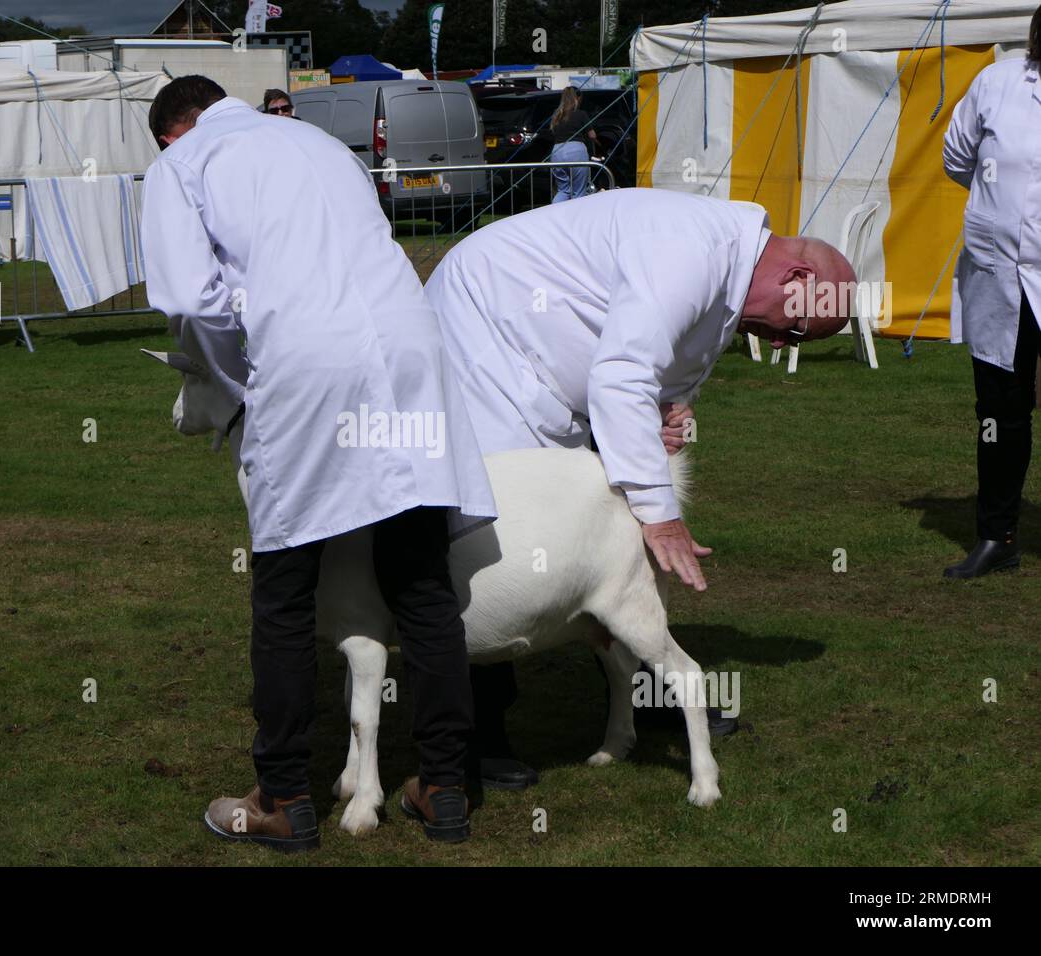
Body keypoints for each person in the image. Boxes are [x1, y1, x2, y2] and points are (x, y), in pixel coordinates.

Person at [141, 76, 497, 850]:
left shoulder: (180, 165)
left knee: (285, 587)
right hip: (409, 341)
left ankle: (282, 794)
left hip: (308, 358)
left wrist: (241, 376)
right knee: (421, 582)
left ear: (174, 130)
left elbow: (190, 300)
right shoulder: (320, 141)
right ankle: (443, 786)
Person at [424, 188, 856, 788]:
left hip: (539, 364)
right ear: (800, 276)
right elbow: (622, 375)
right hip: (482, 331)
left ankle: (653, 694)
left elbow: (653, 371)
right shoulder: (693, 249)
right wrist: (661, 513)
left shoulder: (726, 266)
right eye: (801, 329)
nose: (784, 344)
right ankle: (474, 740)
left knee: (601, 538)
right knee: (497, 539)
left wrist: (666, 414)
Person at [940, 8, 1041, 579]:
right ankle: (997, 535)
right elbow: (958, 157)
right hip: (1001, 275)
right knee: (1001, 411)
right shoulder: (998, 82)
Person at [548, 87, 598, 203]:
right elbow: (592, 135)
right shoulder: (581, 114)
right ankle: (576, 219)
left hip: (557, 152)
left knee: (563, 190)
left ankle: (554, 215)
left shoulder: (556, 115)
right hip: (576, 151)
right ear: (577, 98)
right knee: (578, 191)